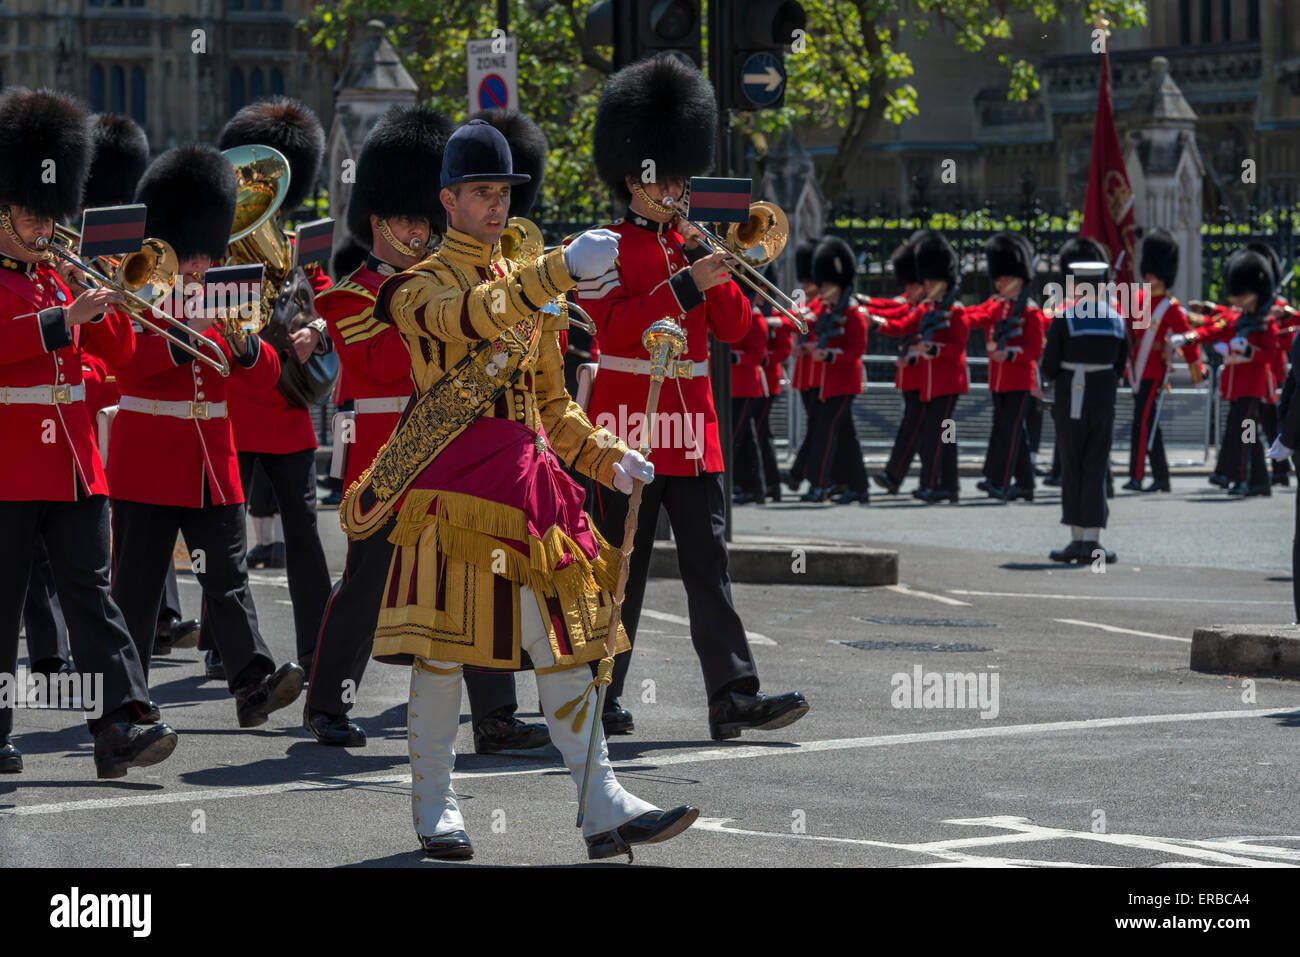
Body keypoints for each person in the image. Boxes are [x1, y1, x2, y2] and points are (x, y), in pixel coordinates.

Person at [339, 118, 698, 861]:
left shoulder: (530, 282)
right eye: (481, 193)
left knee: (566, 642)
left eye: (503, 192)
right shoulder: (419, 284)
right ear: (449, 200)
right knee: (442, 656)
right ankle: (434, 804)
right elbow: (466, 320)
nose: (497, 205)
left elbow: (553, 406)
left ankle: (601, 803)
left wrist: (606, 456)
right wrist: (555, 273)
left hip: (531, 485)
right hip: (454, 488)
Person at [305, 104, 549, 756]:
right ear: (376, 222)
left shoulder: (452, 284)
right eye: (406, 220)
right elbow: (384, 363)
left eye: (425, 218)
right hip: (385, 452)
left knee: (482, 570)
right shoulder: (349, 296)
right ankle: (329, 703)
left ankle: (496, 715)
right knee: (368, 581)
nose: (419, 231)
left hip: (454, 452)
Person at [581, 55, 809, 740]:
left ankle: (731, 693)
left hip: (691, 429)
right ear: (633, 179)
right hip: (626, 428)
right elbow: (612, 326)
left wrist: (711, 274)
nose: (675, 190)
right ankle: (599, 690)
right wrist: (684, 285)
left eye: (680, 178)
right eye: (663, 179)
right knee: (621, 563)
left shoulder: (698, 246)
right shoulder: (603, 247)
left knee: (709, 566)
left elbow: (740, 330)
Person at [0, 86, 177, 777]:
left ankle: (121, 722)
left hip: (74, 465)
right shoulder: (34, 294)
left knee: (92, 600)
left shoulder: (54, 282)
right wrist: (64, 321)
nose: (45, 227)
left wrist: (105, 306)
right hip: (12, 465)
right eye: (30, 214)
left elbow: (121, 361)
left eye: (50, 215)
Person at [107, 143, 305, 729]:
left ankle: (251, 684)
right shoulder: (140, 283)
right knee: (138, 590)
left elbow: (267, 376)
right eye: (191, 255)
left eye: (205, 254)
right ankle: (127, 700)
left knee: (227, 578)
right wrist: (182, 330)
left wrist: (246, 345)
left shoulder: (221, 287)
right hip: (149, 458)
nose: (198, 264)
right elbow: (126, 361)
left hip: (210, 462)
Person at [212, 97, 335, 673]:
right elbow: (214, 316)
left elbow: (326, 301)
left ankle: (316, 646)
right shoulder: (220, 246)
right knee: (225, 536)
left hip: (286, 408)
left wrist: (316, 326)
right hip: (238, 402)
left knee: (305, 537)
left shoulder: (294, 248)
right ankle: (223, 644)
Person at [1040, 239, 1127, 563]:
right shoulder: (1117, 320)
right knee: (1096, 466)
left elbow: (1049, 364)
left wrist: (1046, 382)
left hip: (1070, 397)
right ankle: (1093, 539)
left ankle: (1077, 537)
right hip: (1103, 399)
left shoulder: (1064, 319)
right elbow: (1120, 365)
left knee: (1072, 466)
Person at [1173, 248, 1278, 497]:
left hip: (1252, 387)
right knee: (1246, 435)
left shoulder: (1267, 323)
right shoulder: (1236, 319)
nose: (1237, 299)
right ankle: (1258, 480)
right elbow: (1212, 330)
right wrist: (1189, 339)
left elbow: (1269, 356)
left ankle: (1242, 478)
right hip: (1236, 387)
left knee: (1246, 433)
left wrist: (1249, 351)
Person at [964, 231, 1045, 502]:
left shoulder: (1030, 311)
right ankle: (1025, 484)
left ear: (1018, 279)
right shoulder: (998, 305)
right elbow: (975, 315)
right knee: (1009, 429)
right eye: (997, 279)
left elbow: (1035, 349)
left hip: (1020, 379)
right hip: (998, 379)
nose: (998, 283)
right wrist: (952, 314)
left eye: (1004, 278)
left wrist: (1011, 354)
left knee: (1009, 430)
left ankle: (1000, 481)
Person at [1121, 228, 1203, 493]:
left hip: (1154, 370)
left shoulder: (1170, 306)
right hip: (1136, 368)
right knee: (1148, 422)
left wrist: (1197, 370)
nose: (1149, 275)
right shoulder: (1137, 298)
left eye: (1153, 270)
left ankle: (1136, 476)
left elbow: (1187, 338)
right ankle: (1162, 477)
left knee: (1141, 423)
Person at [892, 232, 967, 504]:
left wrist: (934, 350)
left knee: (935, 434)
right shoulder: (927, 309)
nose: (926, 285)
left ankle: (931, 485)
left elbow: (957, 347)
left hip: (947, 382)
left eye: (932, 280)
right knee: (946, 435)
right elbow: (903, 325)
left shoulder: (955, 311)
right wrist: (876, 323)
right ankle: (950, 486)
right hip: (931, 382)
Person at [800, 236, 869, 504]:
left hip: (844, 383)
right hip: (827, 384)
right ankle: (858, 487)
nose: (823, 287)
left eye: (827, 283)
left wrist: (829, 354)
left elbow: (857, 350)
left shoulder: (852, 312)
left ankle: (819, 485)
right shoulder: (827, 311)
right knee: (847, 437)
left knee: (824, 433)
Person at [868, 233, 928, 495]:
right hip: (912, 376)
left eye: (913, 285)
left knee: (912, 430)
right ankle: (932, 480)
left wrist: (875, 320)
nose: (909, 291)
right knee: (923, 432)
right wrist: (868, 304)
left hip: (926, 377)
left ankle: (894, 476)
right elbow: (893, 307)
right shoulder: (914, 302)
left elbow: (901, 323)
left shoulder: (928, 307)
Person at [730, 291, 771, 504]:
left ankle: (732, 483)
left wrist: (733, 357)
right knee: (747, 441)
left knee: (734, 439)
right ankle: (756, 488)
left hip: (745, 387)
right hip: (733, 386)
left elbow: (756, 356)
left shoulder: (756, 320)